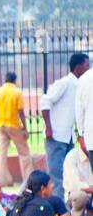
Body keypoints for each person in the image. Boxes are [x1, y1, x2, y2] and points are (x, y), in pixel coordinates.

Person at [39, 53, 89, 197]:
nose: (88, 68)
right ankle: (59, 210)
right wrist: (48, 127)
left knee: (69, 175)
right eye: (87, 65)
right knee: (57, 176)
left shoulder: (80, 85)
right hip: (56, 136)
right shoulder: (65, 83)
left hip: (68, 137)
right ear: (78, 67)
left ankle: (66, 207)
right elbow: (45, 102)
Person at [0, 71, 31, 186]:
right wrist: (24, 128)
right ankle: (28, 179)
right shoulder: (17, 92)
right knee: (24, 153)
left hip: (1, 125)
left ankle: (5, 180)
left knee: (2, 153)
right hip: (14, 125)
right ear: (15, 80)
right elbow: (20, 112)